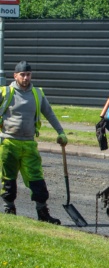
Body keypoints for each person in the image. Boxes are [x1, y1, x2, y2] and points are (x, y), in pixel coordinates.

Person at [0, 61, 68, 223]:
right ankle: (9, 208)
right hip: (8, 143)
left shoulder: (37, 94)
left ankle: (42, 213)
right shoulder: (5, 93)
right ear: (15, 75)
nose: (25, 77)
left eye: (28, 74)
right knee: (8, 178)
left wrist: (61, 132)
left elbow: (49, 114)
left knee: (36, 178)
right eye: (22, 74)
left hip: (29, 144)